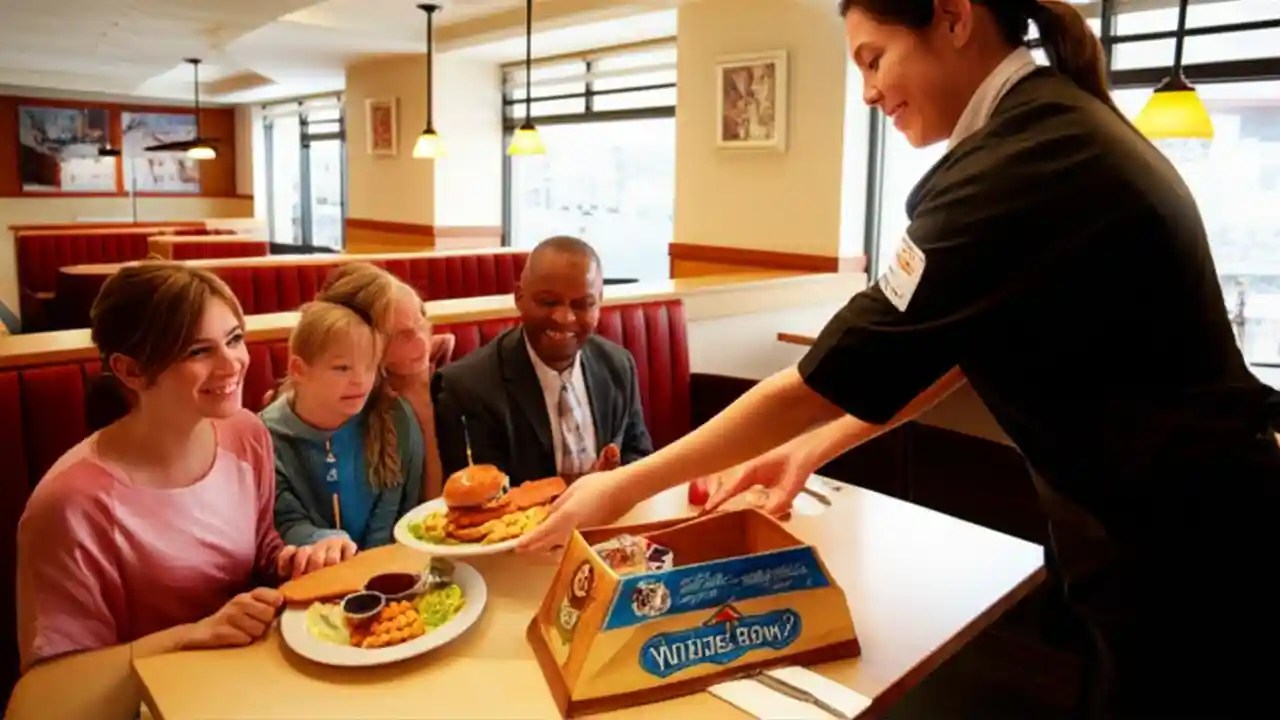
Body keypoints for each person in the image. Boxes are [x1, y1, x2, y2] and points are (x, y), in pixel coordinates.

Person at [518, 2, 1280, 718]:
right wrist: (811, 449)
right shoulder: (1043, 130)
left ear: (952, 16)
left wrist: (623, 486)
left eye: (874, 58)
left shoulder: (1023, 163)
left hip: (1186, 545)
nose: (868, 91)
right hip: (1157, 527)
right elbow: (956, 344)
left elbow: (816, 382)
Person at [9, 263, 347, 720]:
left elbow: (260, 547)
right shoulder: (70, 504)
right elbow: (42, 701)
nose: (232, 364)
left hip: (247, 684)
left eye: (234, 339)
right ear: (130, 370)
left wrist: (301, 556)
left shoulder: (245, 433)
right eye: (197, 350)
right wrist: (192, 635)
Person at [433, 236, 652, 485]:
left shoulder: (618, 366)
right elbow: (483, 495)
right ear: (519, 297)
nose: (565, 317)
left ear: (599, 304)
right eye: (548, 302)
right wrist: (577, 494)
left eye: (582, 305)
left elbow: (638, 455)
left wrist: (612, 481)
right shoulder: (467, 388)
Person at [262, 301, 425, 549]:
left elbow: (394, 517)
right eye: (342, 368)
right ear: (298, 370)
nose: (360, 381)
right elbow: (285, 521)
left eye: (369, 367)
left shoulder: (394, 418)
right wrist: (324, 543)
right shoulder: (264, 437)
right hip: (316, 567)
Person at [317, 263, 454, 498]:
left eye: (421, 322)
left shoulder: (442, 381)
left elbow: (438, 501)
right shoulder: (335, 408)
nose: (422, 342)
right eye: (402, 335)